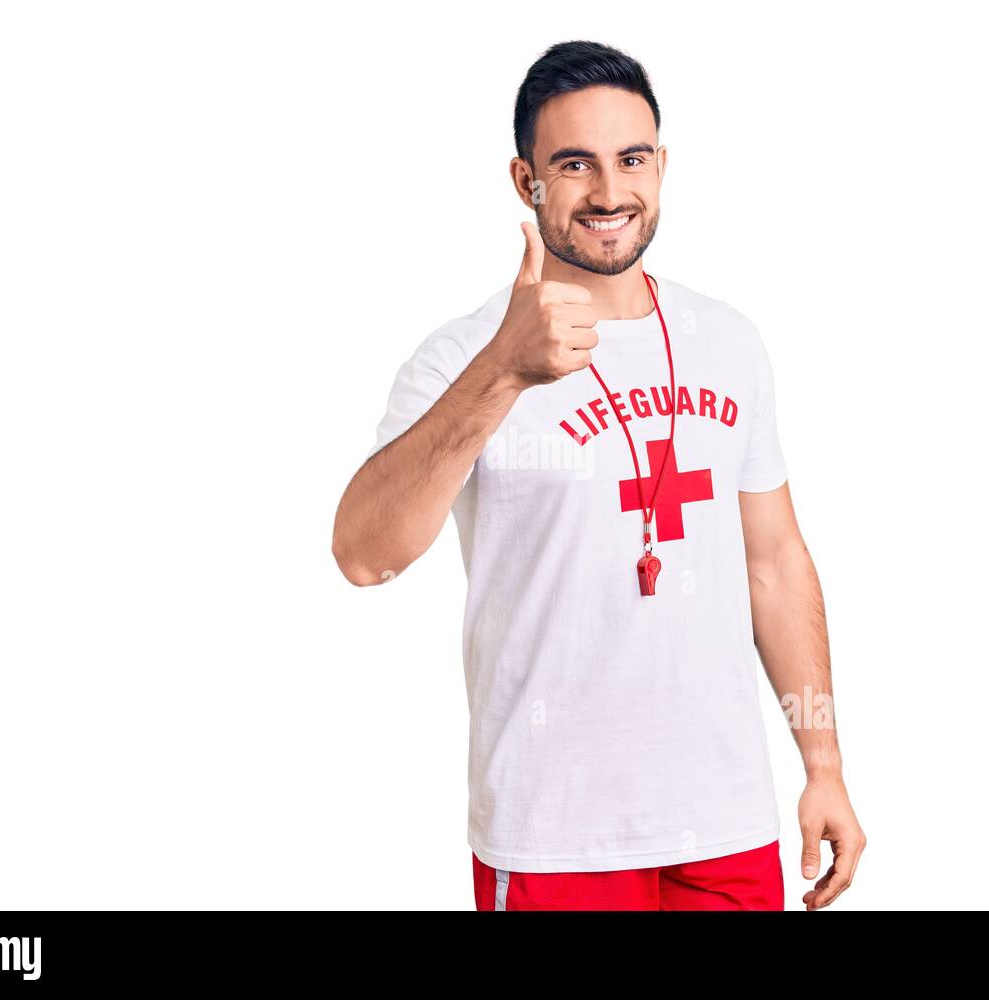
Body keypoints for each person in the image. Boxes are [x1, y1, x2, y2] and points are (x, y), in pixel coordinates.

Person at [332, 40, 865, 911]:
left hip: (727, 825)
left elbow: (774, 563)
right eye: (574, 165)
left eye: (633, 159)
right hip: (554, 837)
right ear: (525, 180)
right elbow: (363, 553)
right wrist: (504, 370)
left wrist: (824, 765)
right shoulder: (461, 357)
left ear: (663, 165)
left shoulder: (729, 343)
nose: (611, 194)